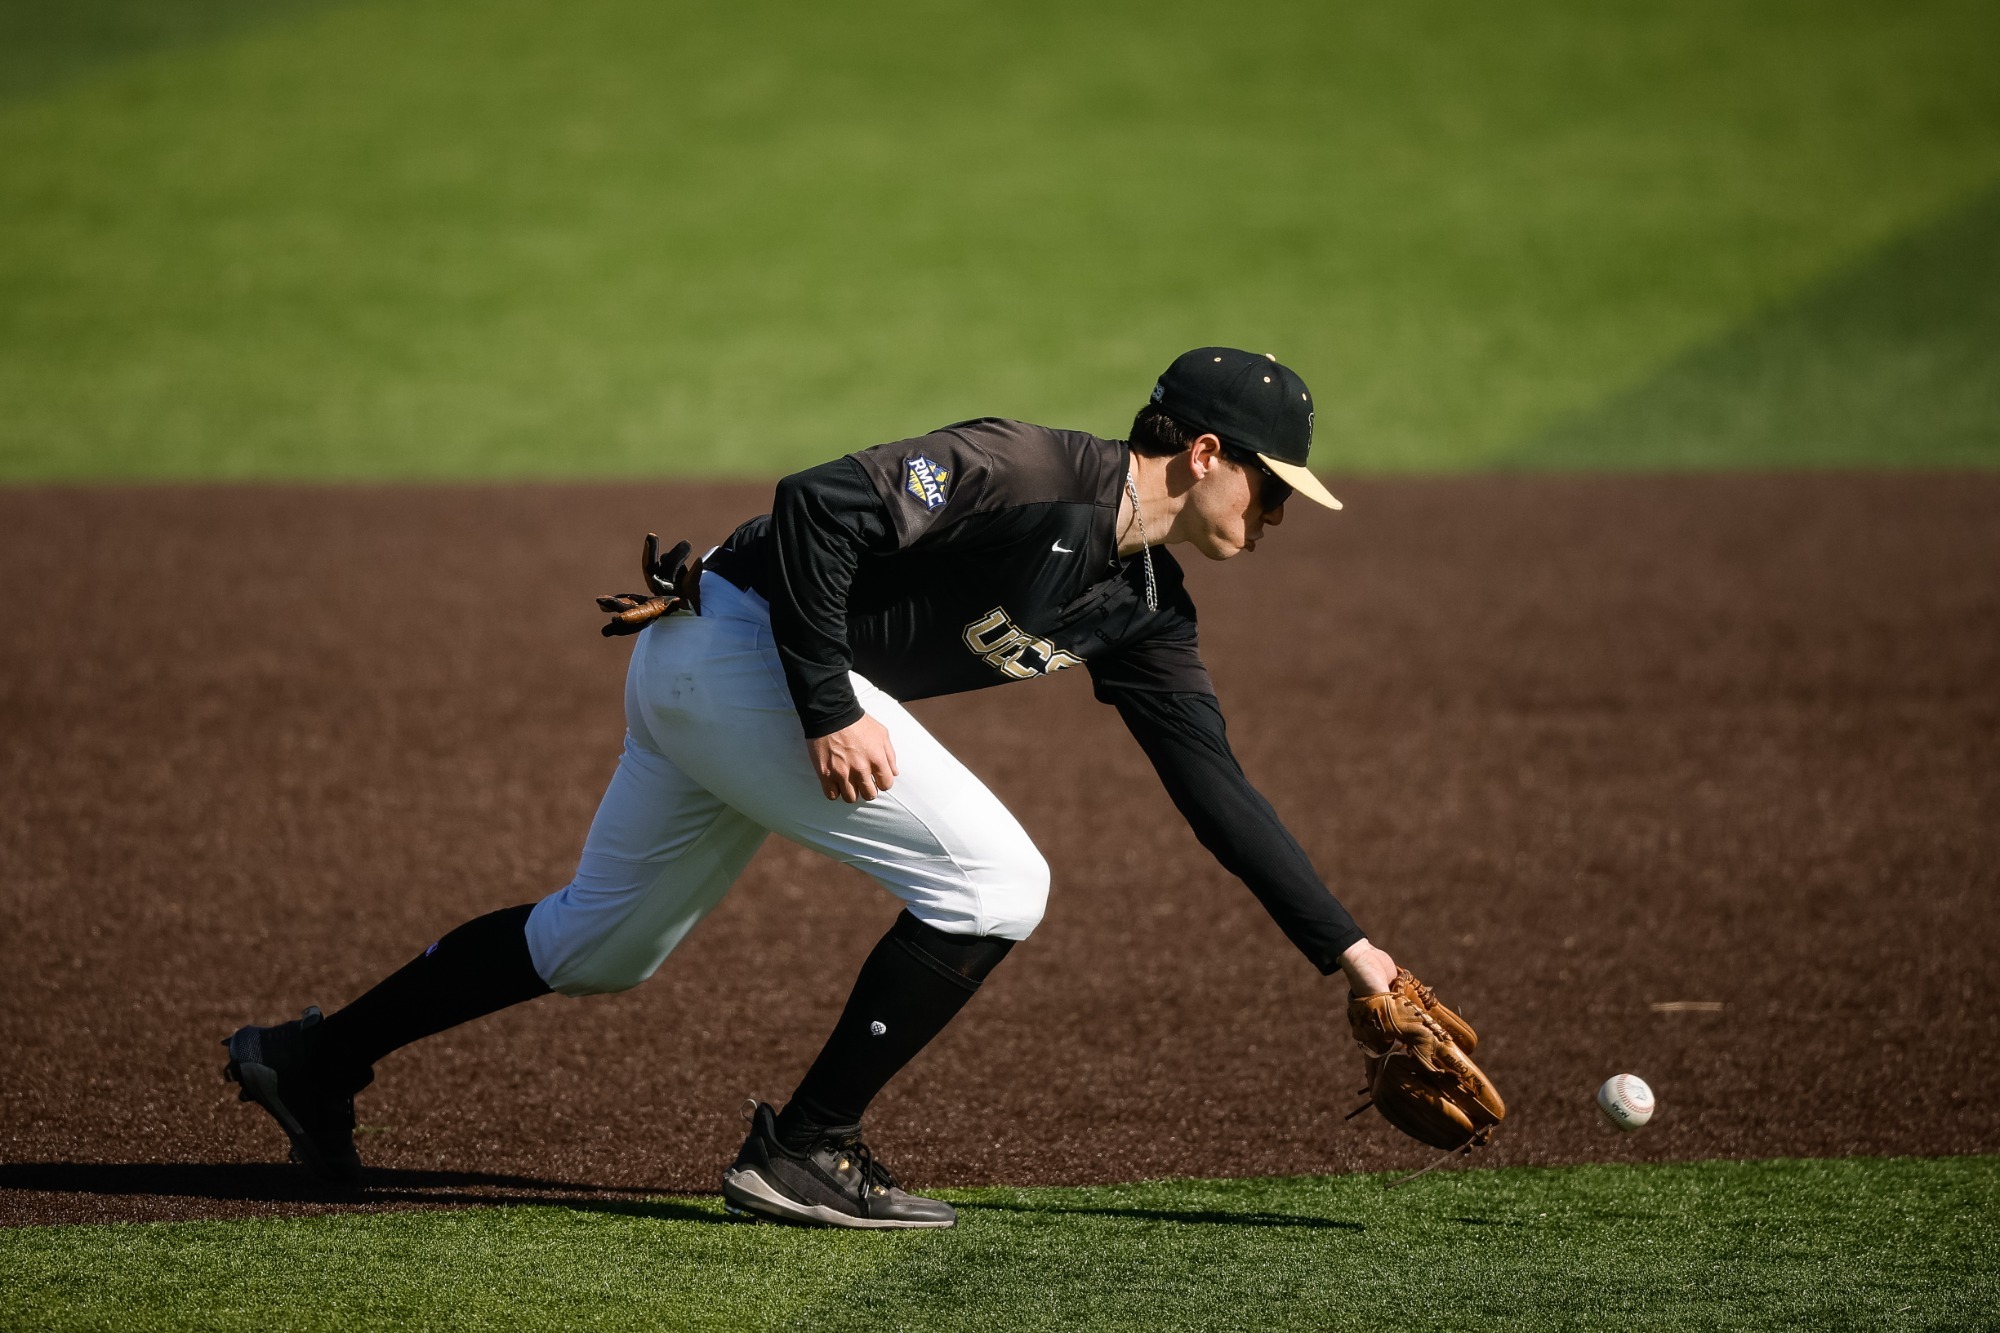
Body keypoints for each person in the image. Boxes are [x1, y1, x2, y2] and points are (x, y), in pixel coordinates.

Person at [222, 346, 1401, 1229]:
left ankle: (315, 1056)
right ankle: (808, 1148)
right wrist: (828, 704)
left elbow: (1217, 793)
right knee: (998, 882)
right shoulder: (1031, 470)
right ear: (1205, 454)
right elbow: (816, 504)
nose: (1284, 511)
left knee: (599, 947)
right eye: (1274, 483)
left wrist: (1358, 959)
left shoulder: (1143, 611)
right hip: (731, 649)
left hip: (727, 689)